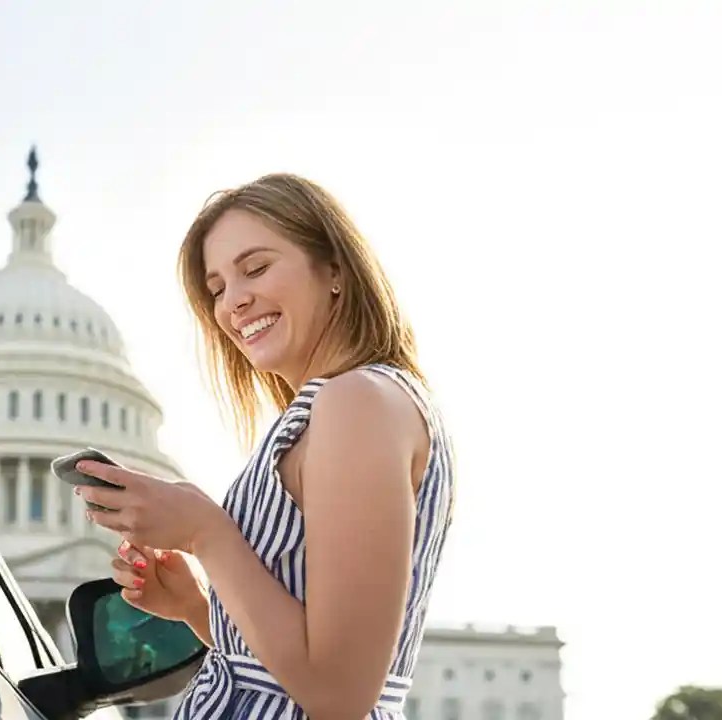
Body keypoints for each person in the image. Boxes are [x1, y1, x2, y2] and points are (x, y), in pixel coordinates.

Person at [74, 173, 455, 720]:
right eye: (218, 288)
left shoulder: (358, 402)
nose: (234, 302)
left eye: (255, 268)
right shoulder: (334, 408)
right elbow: (294, 669)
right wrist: (198, 610)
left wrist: (205, 532)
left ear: (335, 271)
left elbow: (341, 695)